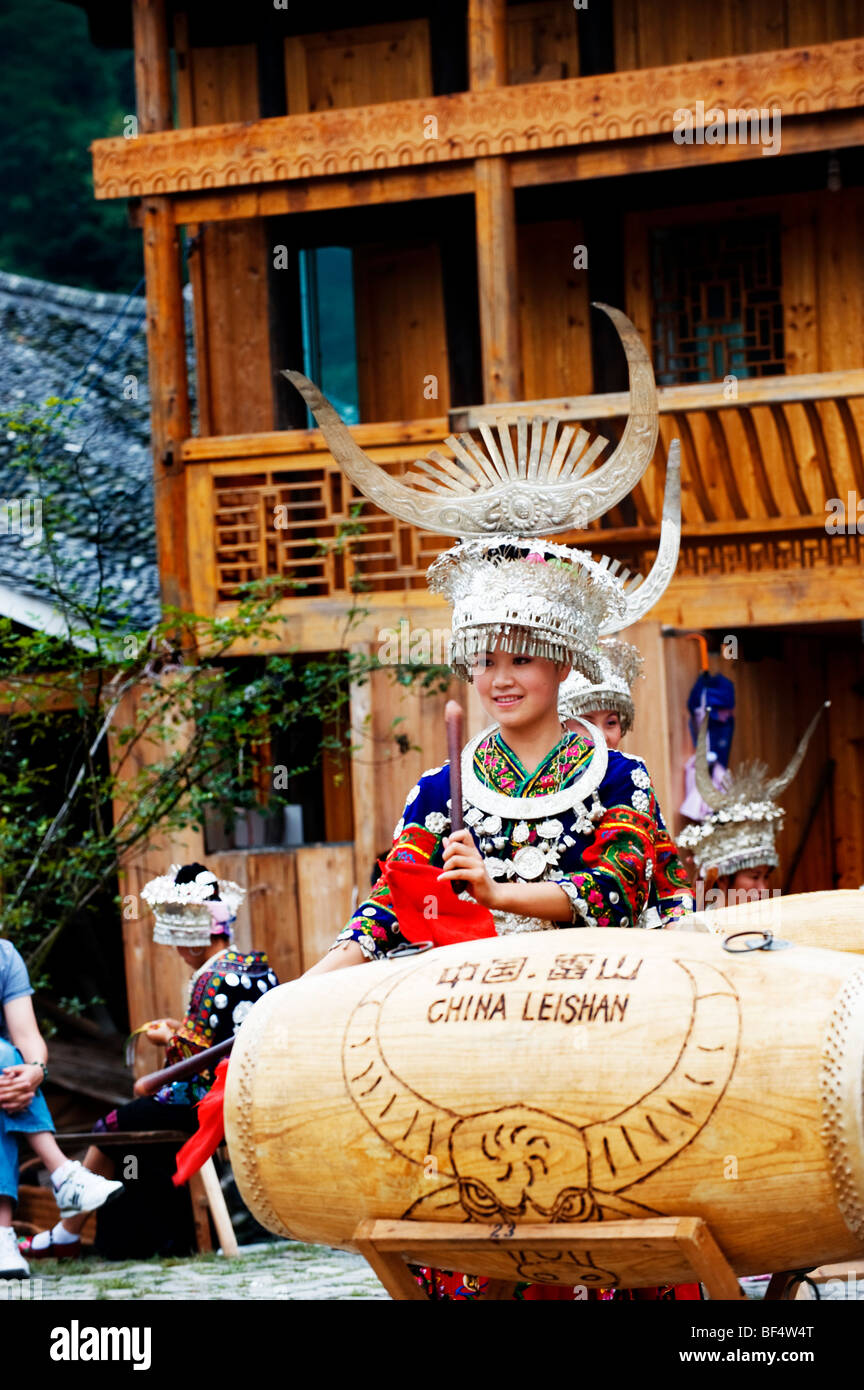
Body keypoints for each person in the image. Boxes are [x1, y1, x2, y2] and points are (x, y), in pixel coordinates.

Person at [22, 862, 279, 1261]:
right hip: (255, 1093)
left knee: (110, 1127)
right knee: (129, 1137)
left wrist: (168, 1039)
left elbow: (197, 1059)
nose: (177, 951)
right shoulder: (258, 969)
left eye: (180, 939)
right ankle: (88, 1231)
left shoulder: (212, 980)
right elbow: (225, 1039)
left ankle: (67, 1231)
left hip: (206, 1102)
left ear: (196, 935)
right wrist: (182, 1031)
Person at [0, 938, 122, 1277]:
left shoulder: (4, 956)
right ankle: (65, 1177)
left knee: (9, 1066)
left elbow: (26, 1034)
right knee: (3, 1056)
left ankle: (2, 1237)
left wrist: (36, 1070)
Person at [678, 702, 829, 910]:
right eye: (754, 876)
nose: (763, 888)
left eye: (766, 877)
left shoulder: (768, 923)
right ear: (722, 879)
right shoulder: (698, 928)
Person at [558, 637, 643, 751]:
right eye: (586, 723)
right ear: (560, 726)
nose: (601, 737)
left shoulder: (632, 768)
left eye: (611, 723)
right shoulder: (537, 768)